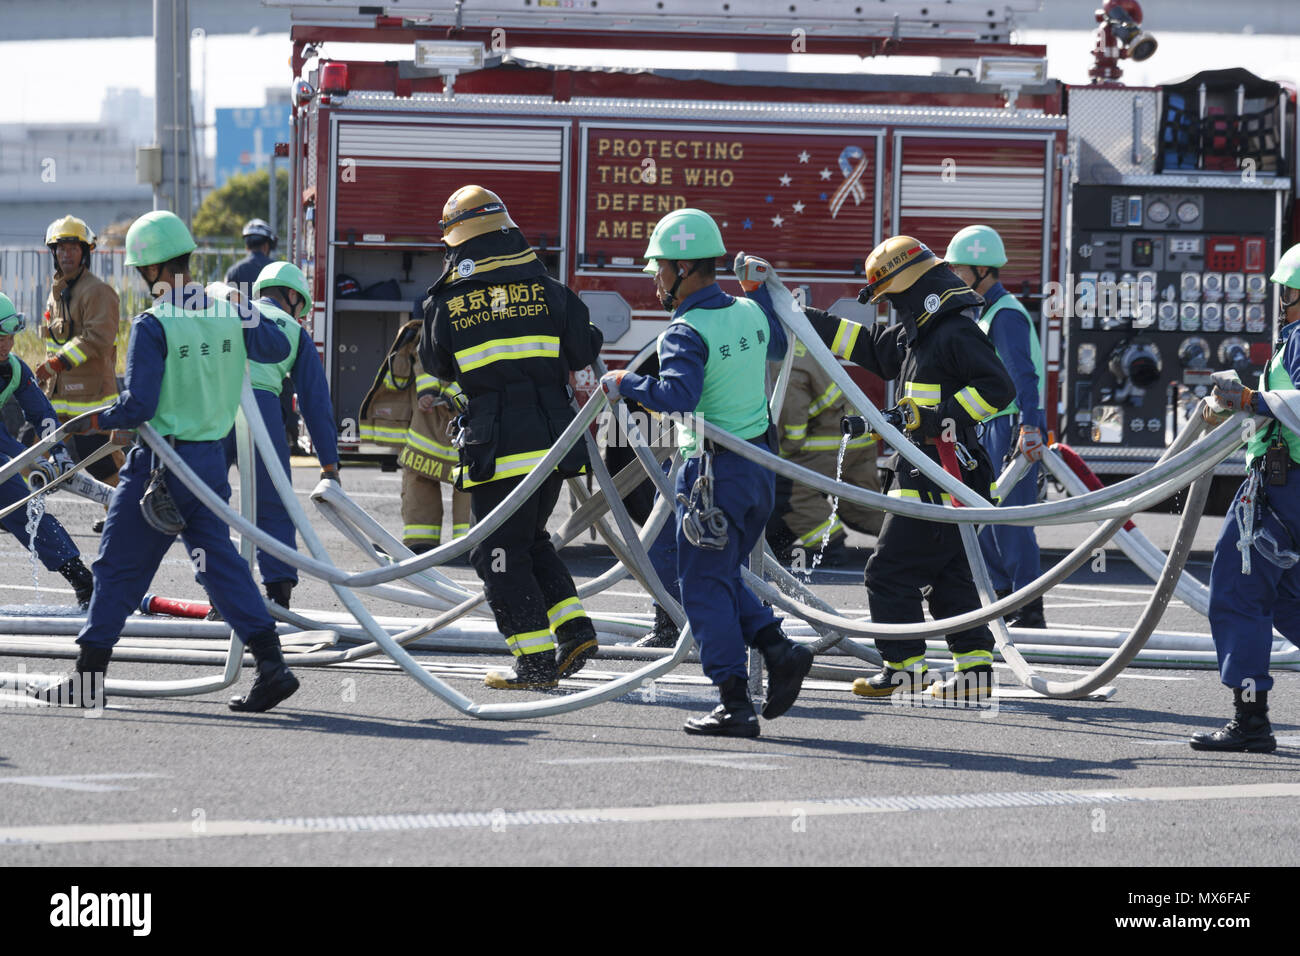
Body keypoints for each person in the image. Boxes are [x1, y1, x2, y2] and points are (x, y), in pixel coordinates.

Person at [32, 211, 297, 712]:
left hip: (161, 463)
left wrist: (94, 421)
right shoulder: (224, 310)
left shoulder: (154, 324)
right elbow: (278, 344)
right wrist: (244, 307)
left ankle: (89, 676)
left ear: (151, 270)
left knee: (116, 566)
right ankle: (272, 664)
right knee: (219, 564)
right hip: (209, 464)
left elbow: (139, 408)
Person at [739, 237, 1014, 702]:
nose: (888, 306)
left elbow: (998, 389)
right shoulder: (919, 332)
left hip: (940, 478)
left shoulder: (952, 331)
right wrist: (793, 312)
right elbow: (868, 347)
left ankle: (904, 669)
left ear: (909, 286)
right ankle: (975, 675)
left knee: (887, 573)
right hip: (935, 478)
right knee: (949, 577)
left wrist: (927, 419)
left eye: (890, 296)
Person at [601, 208, 813, 737]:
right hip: (757, 474)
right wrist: (759, 291)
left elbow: (679, 397)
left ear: (683, 269)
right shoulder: (748, 312)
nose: (654, 279)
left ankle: (734, 703)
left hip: (710, 478)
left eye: (659, 268)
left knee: (698, 587)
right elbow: (780, 343)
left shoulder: (684, 330)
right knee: (712, 575)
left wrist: (626, 382)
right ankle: (777, 650)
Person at [419, 185, 602, 690]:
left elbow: (433, 361)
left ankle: (536, 664)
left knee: (493, 554)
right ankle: (573, 630)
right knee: (527, 541)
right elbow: (585, 349)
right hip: (552, 444)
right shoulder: (550, 290)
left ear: (458, 242)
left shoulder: (448, 301)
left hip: (496, 450)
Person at [1191, 242, 1300, 752]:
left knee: (1240, 591)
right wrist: (1241, 407)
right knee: (1290, 601)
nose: (1284, 298)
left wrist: (1253, 400)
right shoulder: (1290, 342)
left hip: (1285, 488)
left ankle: (1251, 721)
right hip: (1285, 481)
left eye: (1290, 290)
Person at [219, 261, 340, 609]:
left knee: (208, 499)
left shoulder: (229, 308)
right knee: (273, 503)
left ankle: (220, 592)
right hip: (261, 407)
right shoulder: (293, 329)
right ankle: (278, 594)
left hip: (213, 405)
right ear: (291, 296)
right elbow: (315, 404)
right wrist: (329, 466)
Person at [945, 225, 1048, 628]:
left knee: (1012, 519)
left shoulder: (1005, 315)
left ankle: (1029, 606)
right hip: (990, 426)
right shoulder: (985, 312)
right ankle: (1003, 599)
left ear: (981, 270)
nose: (953, 276)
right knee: (984, 517)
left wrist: (1031, 427)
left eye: (958, 270)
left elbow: (1024, 375)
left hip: (1009, 427)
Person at [0, 293, 95, 607]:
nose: (7, 345)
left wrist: (56, 452)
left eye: (10, 337)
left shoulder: (13, 370)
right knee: (13, 492)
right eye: (0, 338)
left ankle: (78, 575)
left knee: (22, 497)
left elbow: (41, 415)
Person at [37, 215, 124, 531]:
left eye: (73, 248)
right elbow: (54, 340)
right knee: (30, 448)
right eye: (60, 249)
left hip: (91, 398)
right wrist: (46, 374)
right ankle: (17, 507)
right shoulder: (57, 290)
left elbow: (98, 338)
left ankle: (126, 510)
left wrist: (56, 363)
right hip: (58, 397)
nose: (66, 254)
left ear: (85, 253)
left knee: (100, 459)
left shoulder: (97, 291)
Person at [767, 339, 883, 567]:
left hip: (829, 440)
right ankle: (911, 535)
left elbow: (793, 424)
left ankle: (830, 546)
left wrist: (780, 453)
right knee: (860, 504)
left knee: (794, 492)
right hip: (859, 433)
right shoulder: (797, 345)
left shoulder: (784, 360)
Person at [360, 320, 472, 554]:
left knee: (422, 481)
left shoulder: (422, 335)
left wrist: (436, 394)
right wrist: (449, 395)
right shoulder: (469, 324)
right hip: (461, 428)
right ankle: (468, 541)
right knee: (469, 482)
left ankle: (423, 544)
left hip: (430, 429)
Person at [225, 219, 278, 294]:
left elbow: (227, 300)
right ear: (266, 246)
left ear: (246, 246)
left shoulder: (234, 271)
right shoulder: (277, 270)